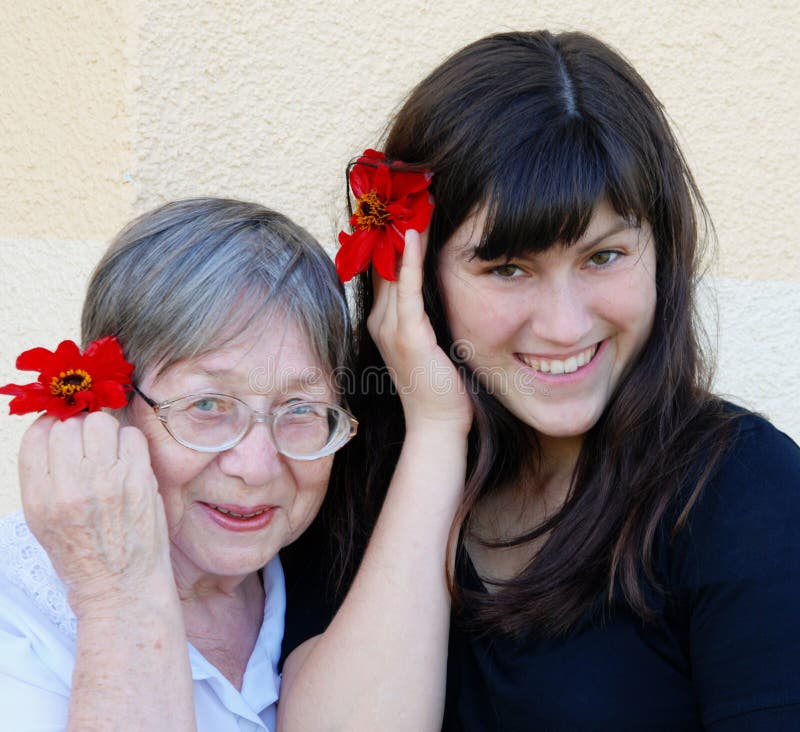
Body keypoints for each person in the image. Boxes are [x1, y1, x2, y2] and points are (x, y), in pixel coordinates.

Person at [277, 31, 800, 730]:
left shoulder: (744, 492)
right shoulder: (350, 477)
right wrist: (435, 432)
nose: (563, 325)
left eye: (604, 255)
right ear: (416, 276)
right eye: (508, 269)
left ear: (661, 253)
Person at [0, 197, 356, 731]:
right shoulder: (17, 611)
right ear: (111, 406)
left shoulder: (341, 583)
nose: (257, 467)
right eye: (208, 405)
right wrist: (115, 596)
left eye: (300, 409)